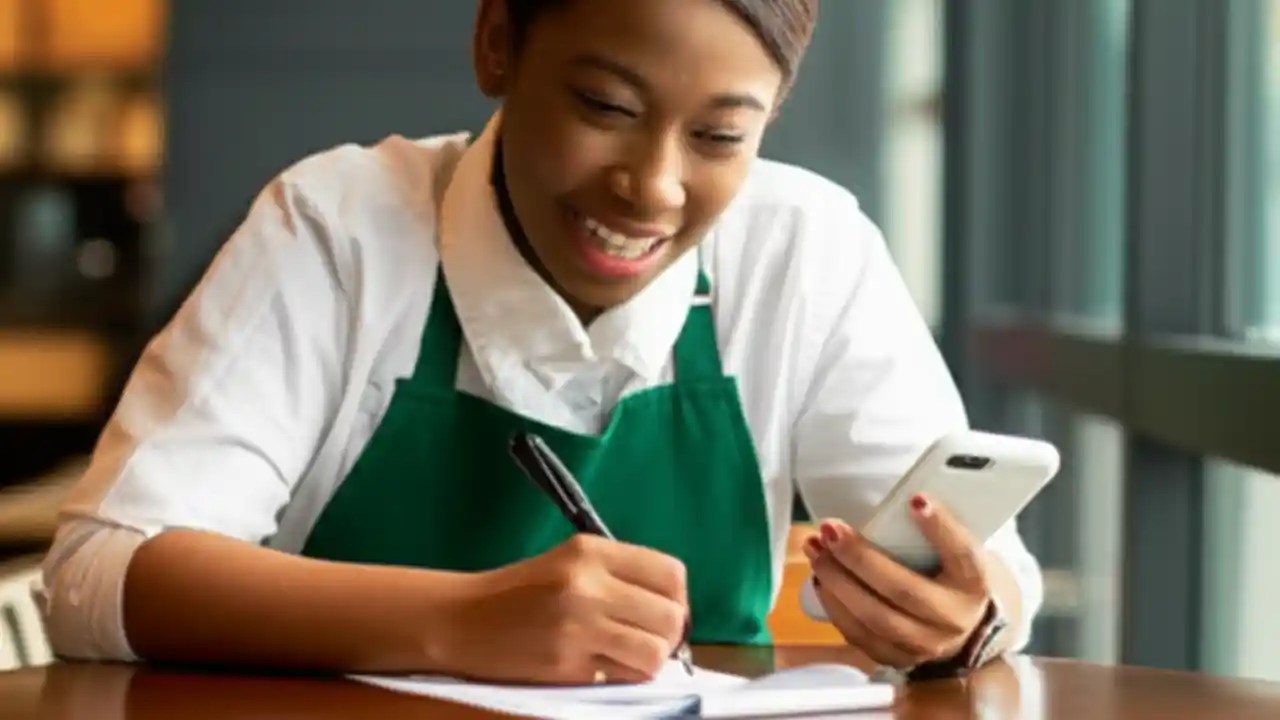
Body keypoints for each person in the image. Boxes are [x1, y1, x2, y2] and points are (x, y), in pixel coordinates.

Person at [39, 0, 1043, 685]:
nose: (652, 188)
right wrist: (458, 622)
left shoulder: (806, 252)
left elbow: (985, 568)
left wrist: (971, 613)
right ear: (495, 44)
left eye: (719, 137)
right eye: (603, 107)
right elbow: (99, 575)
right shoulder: (335, 228)